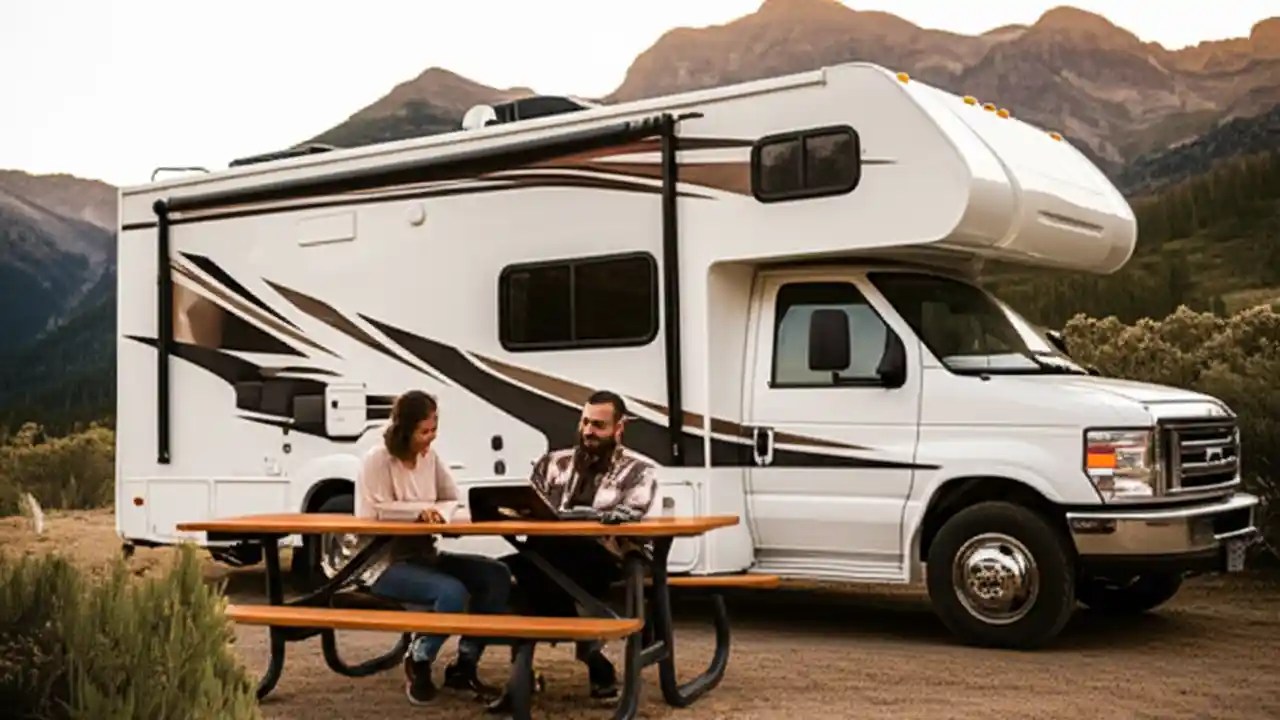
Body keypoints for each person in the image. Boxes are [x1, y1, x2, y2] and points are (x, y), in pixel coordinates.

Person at [497, 389, 658, 704]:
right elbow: (530, 507)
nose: (588, 431)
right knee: (498, 573)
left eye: (598, 425)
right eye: (585, 422)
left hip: (604, 558)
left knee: (530, 574)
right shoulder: (552, 463)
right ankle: (592, 658)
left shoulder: (640, 471)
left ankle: (519, 680)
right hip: (548, 558)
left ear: (619, 428)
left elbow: (632, 517)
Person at [354, 389, 512, 706]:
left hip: (425, 554)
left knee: (496, 574)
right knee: (451, 592)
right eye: (423, 431)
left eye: (433, 430)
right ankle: (420, 657)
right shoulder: (377, 459)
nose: (430, 438)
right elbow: (373, 511)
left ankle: (465, 664)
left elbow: (451, 497)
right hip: (383, 562)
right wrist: (421, 512)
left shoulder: (431, 457)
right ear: (405, 429)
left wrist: (440, 514)